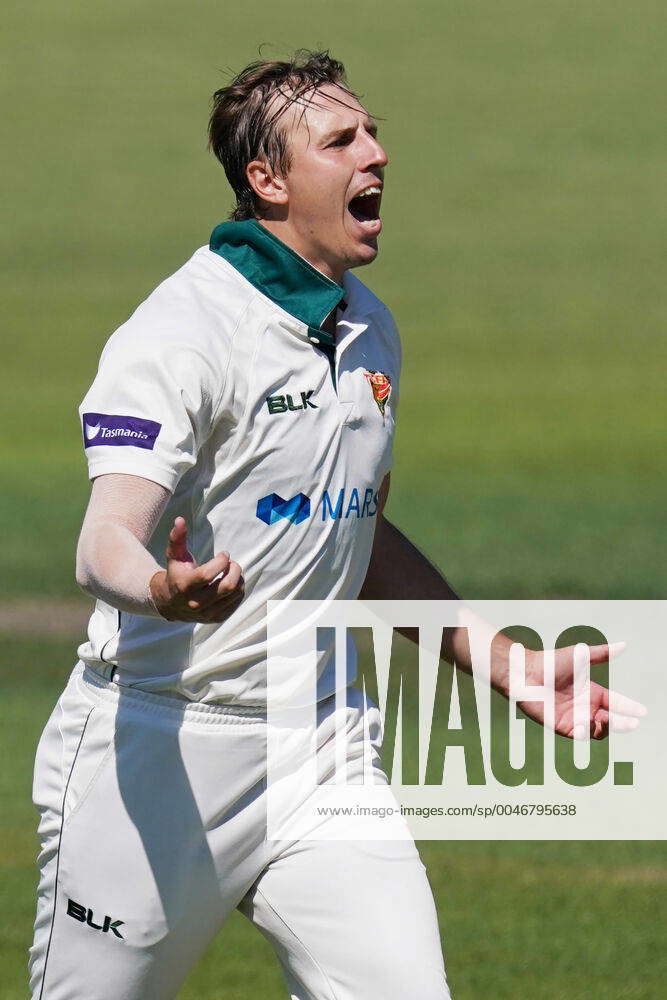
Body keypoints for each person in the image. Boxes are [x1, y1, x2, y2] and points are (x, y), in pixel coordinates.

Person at [29, 50, 642, 1000]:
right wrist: (162, 587)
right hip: (157, 755)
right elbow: (104, 537)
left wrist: (503, 662)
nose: (378, 154)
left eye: (372, 131)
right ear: (267, 181)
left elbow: (356, 539)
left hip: (322, 749)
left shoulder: (368, 328)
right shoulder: (180, 335)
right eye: (341, 140)